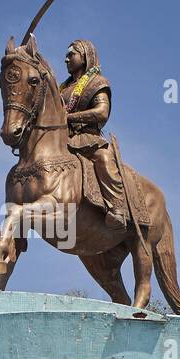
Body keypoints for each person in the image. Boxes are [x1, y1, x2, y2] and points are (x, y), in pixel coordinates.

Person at [59, 39, 127, 228]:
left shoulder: (97, 82)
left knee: (104, 158)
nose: (66, 59)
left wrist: (69, 118)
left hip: (87, 138)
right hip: (62, 139)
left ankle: (117, 209)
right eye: (66, 55)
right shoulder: (61, 88)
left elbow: (102, 113)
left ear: (84, 56)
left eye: (71, 54)